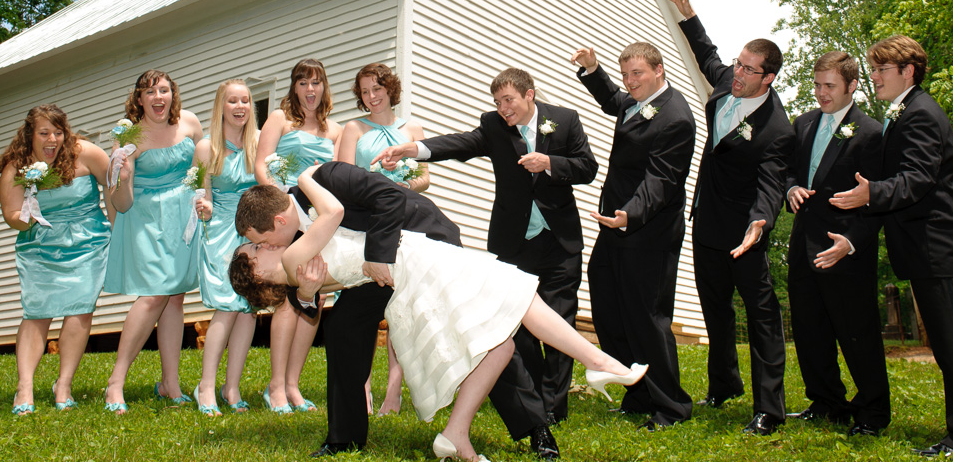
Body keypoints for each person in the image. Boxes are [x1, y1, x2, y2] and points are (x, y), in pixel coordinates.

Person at [229, 169, 646, 462]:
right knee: (341, 332)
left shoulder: (327, 181)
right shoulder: (287, 245)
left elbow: (390, 199)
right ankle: (344, 440)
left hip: (418, 241)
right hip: (368, 275)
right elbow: (309, 289)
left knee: (484, 325)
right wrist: (305, 292)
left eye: (262, 240)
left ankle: (535, 428)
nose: (265, 247)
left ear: (278, 220)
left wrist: (377, 257)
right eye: (257, 246)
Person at [375, 67, 598, 455]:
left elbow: (587, 167)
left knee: (560, 322)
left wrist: (550, 163)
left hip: (559, 242)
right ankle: (537, 415)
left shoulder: (564, 120)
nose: (502, 109)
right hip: (513, 245)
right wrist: (411, 149)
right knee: (516, 327)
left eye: (508, 101)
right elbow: (459, 144)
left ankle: (553, 407)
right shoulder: (493, 126)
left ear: (530, 95)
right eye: (497, 102)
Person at [832, 36, 953, 456]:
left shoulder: (920, 114)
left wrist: (873, 194)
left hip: (940, 248)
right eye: (873, 68)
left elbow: (918, 180)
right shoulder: (905, 111)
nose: (874, 76)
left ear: (908, 71)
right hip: (938, 249)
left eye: (881, 69)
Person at [662, 0, 795, 436]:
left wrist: (760, 222)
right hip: (707, 222)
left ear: (768, 78)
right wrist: (688, 13)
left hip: (745, 234)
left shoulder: (777, 128)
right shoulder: (725, 83)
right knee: (714, 308)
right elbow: (706, 53)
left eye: (748, 69)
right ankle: (723, 384)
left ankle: (768, 409)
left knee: (761, 317)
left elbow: (771, 182)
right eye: (738, 64)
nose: (737, 73)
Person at [571, 40, 696, 430]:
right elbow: (614, 100)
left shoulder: (675, 117)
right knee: (610, 307)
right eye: (626, 75)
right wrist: (594, 70)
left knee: (646, 316)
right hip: (617, 224)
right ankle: (637, 393)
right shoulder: (635, 102)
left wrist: (630, 215)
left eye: (637, 74)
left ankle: (670, 405)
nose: (630, 82)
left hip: (648, 229)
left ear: (659, 70)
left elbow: (661, 179)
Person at [783, 52, 889, 435]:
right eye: (816, 85)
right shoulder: (804, 124)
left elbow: (878, 198)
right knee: (810, 329)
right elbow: (789, 171)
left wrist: (852, 241)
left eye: (829, 86)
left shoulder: (871, 132)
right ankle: (827, 402)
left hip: (845, 248)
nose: (821, 93)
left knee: (857, 334)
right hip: (803, 244)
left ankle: (873, 413)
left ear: (852, 85)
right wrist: (791, 187)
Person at [0, 104, 112, 414]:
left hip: (88, 242)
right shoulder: (16, 167)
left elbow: (114, 185)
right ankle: (25, 387)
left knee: (80, 312)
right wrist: (27, 216)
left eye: (58, 132)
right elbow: (11, 214)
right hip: (40, 246)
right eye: (44, 133)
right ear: (30, 135)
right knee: (37, 313)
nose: (52, 139)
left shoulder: (85, 153)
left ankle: (64, 385)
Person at [102, 69, 205, 413]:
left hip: (183, 219)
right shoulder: (128, 134)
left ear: (172, 94)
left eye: (163, 90)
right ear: (139, 99)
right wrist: (126, 177)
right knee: (153, 297)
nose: (158, 97)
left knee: (175, 298)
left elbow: (200, 171)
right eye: (150, 92)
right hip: (146, 219)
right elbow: (120, 202)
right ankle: (116, 382)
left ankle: (170, 383)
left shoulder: (189, 123)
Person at [255, 58, 344, 414]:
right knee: (288, 300)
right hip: (286, 213)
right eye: (303, 82)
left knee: (314, 297)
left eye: (317, 82)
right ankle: (275, 386)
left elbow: (336, 176)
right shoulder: (279, 119)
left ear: (324, 87)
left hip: (318, 219)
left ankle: (293, 384)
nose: (311, 89)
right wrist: (281, 204)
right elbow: (261, 162)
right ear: (294, 87)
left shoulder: (334, 131)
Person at [337, 62, 426, 415]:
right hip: (366, 220)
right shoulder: (353, 128)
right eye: (365, 92)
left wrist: (405, 186)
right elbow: (343, 177)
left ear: (390, 88)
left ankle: (394, 390)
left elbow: (424, 178)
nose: (372, 97)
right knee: (363, 302)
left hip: (408, 215)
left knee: (400, 302)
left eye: (377, 88)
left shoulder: (413, 128)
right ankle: (362, 388)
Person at [190, 79, 261, 414]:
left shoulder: (259, 144)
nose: (240, 107)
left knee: (248, 307)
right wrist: (202, 206)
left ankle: (231, 388)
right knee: (227, 304)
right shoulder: (206, 148)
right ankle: (205, 385)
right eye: (232, 101)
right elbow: (199, 193)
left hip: (253, 233)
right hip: (220, 231)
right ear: (221, 106)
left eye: (245, 100)